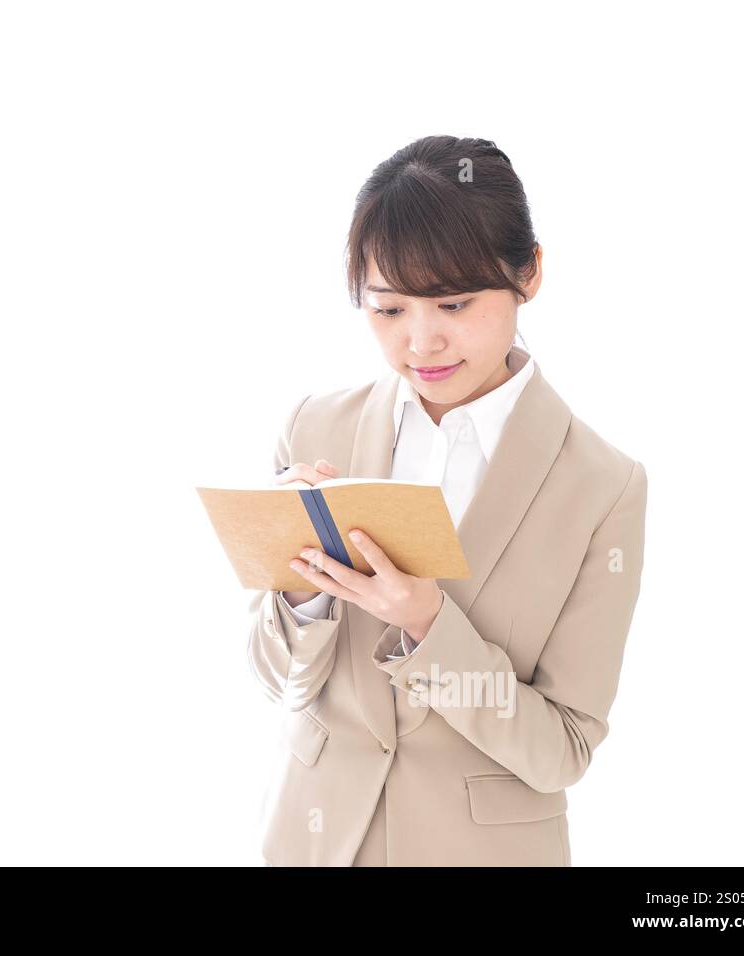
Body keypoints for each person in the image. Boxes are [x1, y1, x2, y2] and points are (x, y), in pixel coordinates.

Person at [247, 135, 647, 866]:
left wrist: (431, 626)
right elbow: (278, 679)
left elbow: (563, 750)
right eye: (388, 310)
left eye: (453, 303)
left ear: (529, 273)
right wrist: (306, 595)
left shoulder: (602, 485)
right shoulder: (314, 427)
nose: (420, 342)